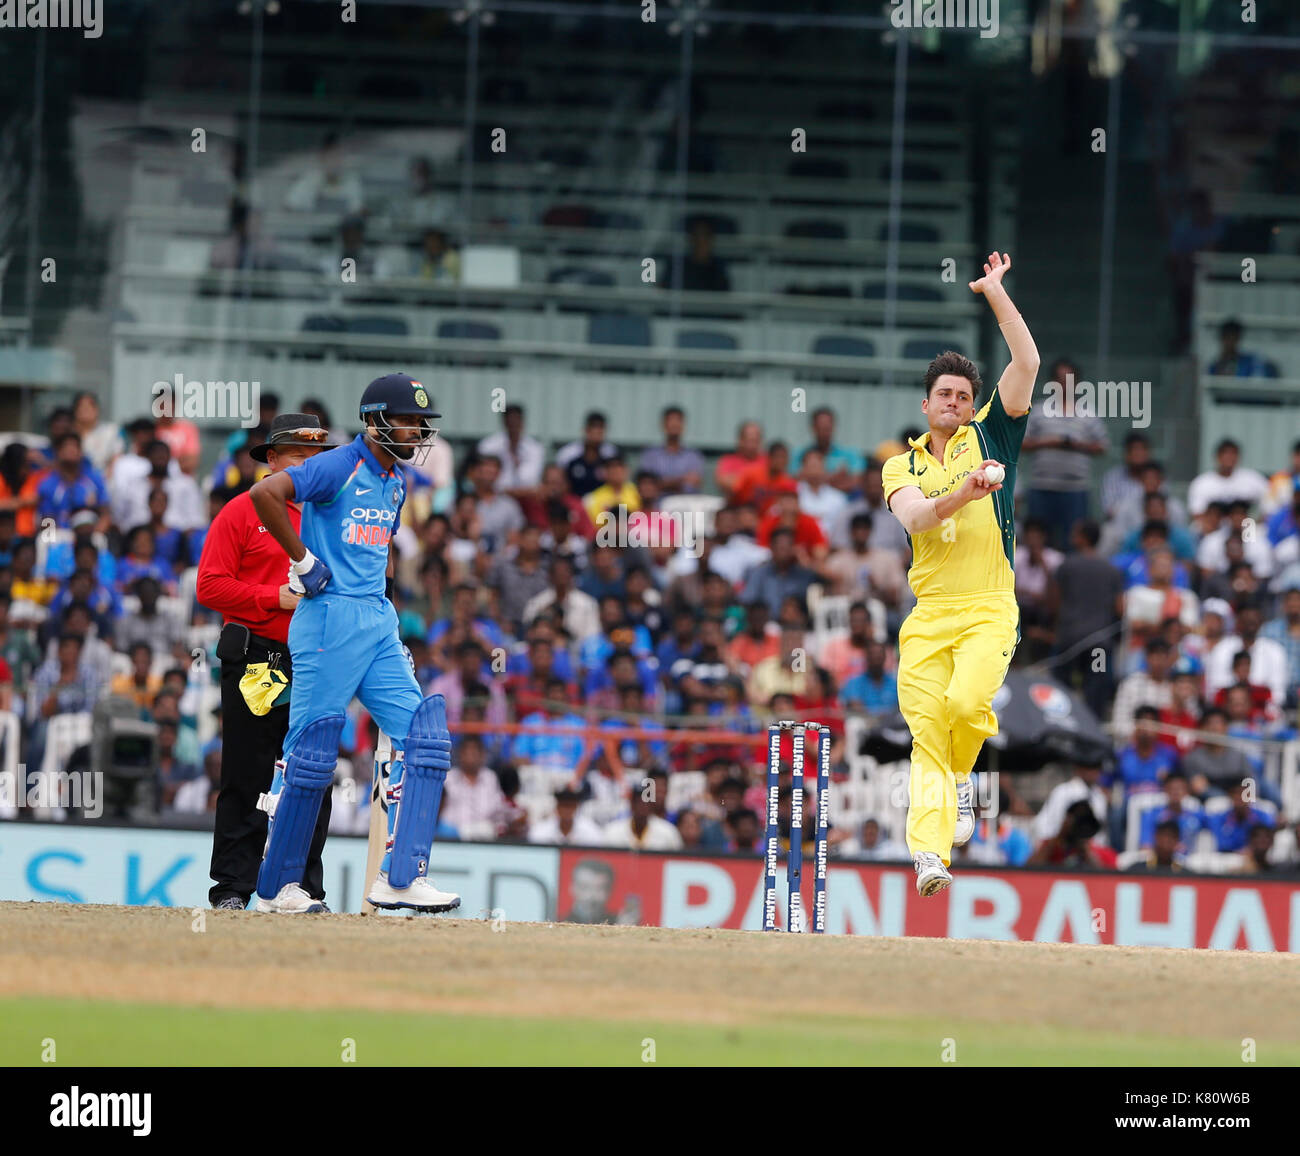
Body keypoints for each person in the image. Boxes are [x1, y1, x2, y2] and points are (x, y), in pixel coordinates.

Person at [248, 373, 461, 914]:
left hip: (376, 620)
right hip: (328, 620)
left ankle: (400, 877)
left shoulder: (397, 483)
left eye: (421, 423)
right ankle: (277, 889)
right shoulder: (338, 465)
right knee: (312, 752)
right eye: (408, 421)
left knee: (426, 738)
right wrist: (302, 560)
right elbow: (264, 494)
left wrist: (383, 617)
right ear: (375, 421)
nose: (416, 432)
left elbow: (372, 552)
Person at [882, 251, 1040, 897]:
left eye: (964, 396)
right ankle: (929, 854)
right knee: (926, 737)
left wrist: (994, 293)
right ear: (927, 404)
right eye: (945, 395)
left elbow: (1026, 363)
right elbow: (918, 519)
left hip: (988, 607)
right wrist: (963, 496)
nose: (955, 402)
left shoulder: (993, 437)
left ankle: (964, 781)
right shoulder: (901, 466)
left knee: (965, 706)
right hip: (928, 618)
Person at [196, 416, 336, 911]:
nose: (309, 464)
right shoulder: (240, 512)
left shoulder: (332, 515)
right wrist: (273, 598)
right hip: (259, 657)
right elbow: (209, 586)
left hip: (316, 661)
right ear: (271, 461)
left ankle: (302, 887)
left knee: (314, 774)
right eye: (298, 455)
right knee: (248, 771)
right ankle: (233, 888)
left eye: (316, 456)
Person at [1019, 358, 1108, 552]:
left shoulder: (1088, 413)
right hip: (1042, 486)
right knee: (1039, 541)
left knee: (1075, 541)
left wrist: (1075, 445)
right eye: (1059, 379)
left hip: (1075, 489)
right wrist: (1049, 442)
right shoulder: (1038, 411)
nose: (1064, 384)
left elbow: (1102, 446)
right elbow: (1021, 443)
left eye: (1068, 379)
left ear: (1077, 383)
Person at [638, 406, 706, 495]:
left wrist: (663, 483)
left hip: (685, 505)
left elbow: (694, 484)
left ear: (683, 425)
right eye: (670, 420)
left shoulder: (694, 456)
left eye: (678, 420)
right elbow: (647, 486)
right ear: (663, 425)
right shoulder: (650, 455)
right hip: (657, 506)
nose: (674, 424)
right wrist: (681, 480)